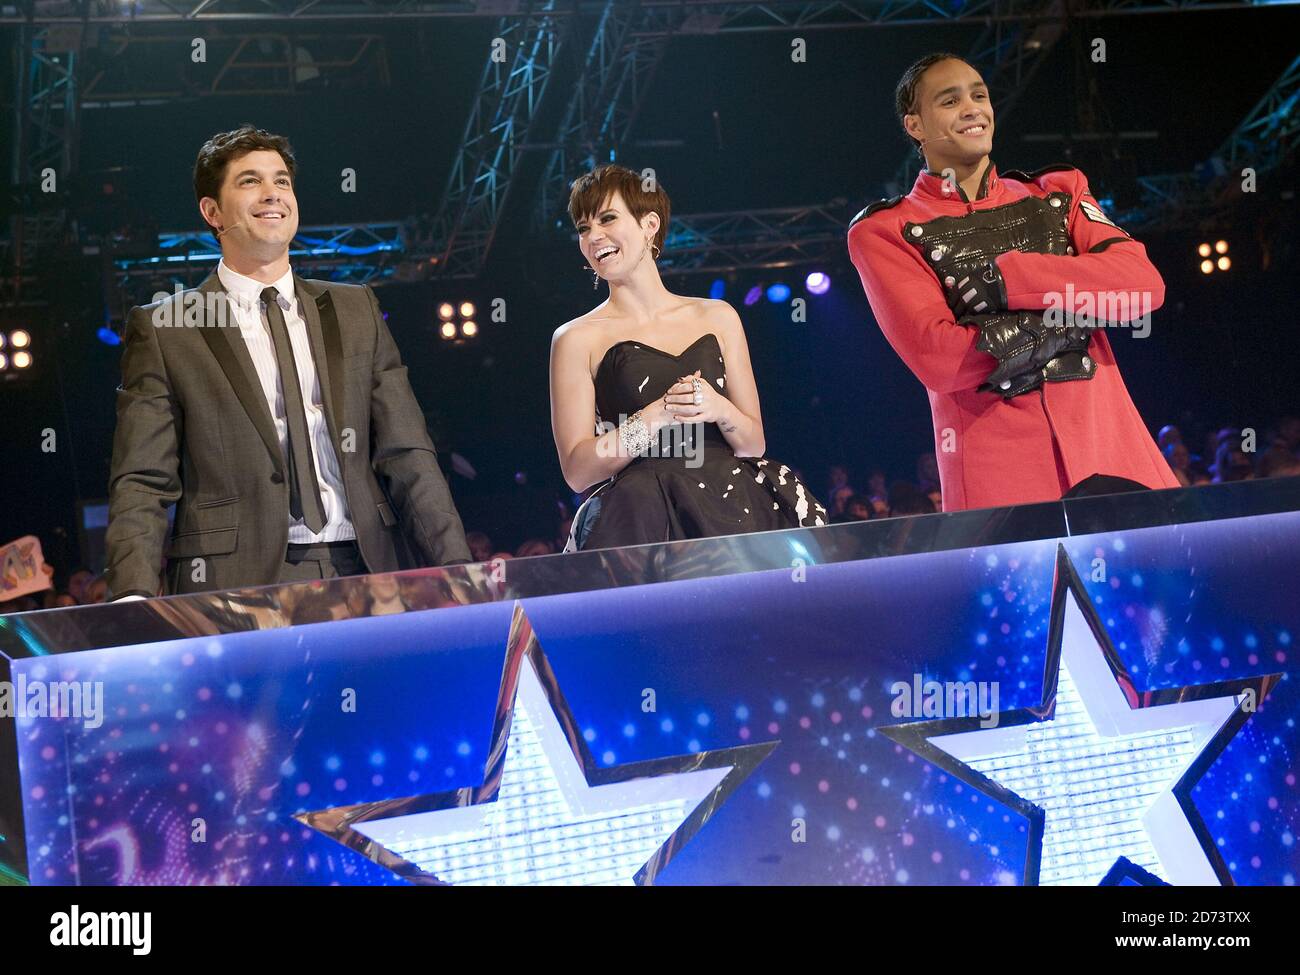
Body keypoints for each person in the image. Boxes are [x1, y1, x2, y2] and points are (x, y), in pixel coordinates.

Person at [105, 125, 470, 598]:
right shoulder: (167, 326)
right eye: (250, 181)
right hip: (237, 581)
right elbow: (143, 478)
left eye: (282, 181)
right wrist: (132, 595)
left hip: (368, 566)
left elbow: (407, 453)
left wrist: (457, 567)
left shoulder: (356, 309)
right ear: (212, 212)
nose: (272, 193)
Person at [847, 53, 1180, 511]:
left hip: (1114, 455)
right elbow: (940, 359)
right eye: (949, 101)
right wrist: (1074, 315)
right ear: (915, 126)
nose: (972, 109)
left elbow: (1142, 286)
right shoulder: (885, 231)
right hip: (1001, 480)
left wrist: (1010, 277)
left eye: (979, 95)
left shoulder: (1059, 191)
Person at [550, 164, 827, 551]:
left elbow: (753, 443)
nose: (593, 236)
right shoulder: (575, 338)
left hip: (735, 505)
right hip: (642, 517)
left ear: (649, 225)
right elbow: (578, 471)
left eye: (607, 219)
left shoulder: (718, 316)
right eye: (583, 228)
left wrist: (718, 407)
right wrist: (656, 415)